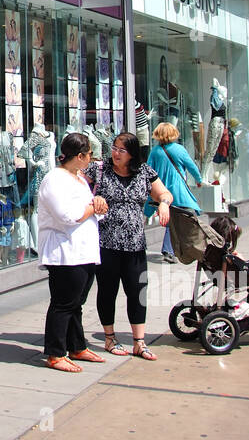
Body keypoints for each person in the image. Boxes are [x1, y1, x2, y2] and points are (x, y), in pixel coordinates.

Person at [87, 131, 173, 360]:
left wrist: (163, 204)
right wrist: (92, 199)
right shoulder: (100, 169)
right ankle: (109, 338)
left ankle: (139, 342)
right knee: (107, 292)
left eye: (121, 150)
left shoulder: (144, 172)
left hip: (135, 244)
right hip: (106, 242)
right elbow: (75, 185)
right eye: (114, 148)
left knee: (137, 292)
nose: (115, 153)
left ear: (132, 153)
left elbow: (164, 192)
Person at [36, 132, 108, 372]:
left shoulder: (78, 179)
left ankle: (76, 345)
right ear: (79, 156)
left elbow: (92, 209)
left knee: (76, 302)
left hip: (84, 251)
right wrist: (91, 207)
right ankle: (56, 352)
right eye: (89, 155)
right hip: (64, 251)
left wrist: (96, 205)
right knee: (63, 303)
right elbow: (68, 215)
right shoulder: (54, 179)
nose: (91, 159)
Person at [146, 122, 203, 264]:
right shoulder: (179, 149)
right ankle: (175, 250)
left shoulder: (155, 151)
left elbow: (147, 171)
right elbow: (192, 166)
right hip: (177, 191)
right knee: (184, 217)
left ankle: (171, 249)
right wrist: (199, 179)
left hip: (160, 190)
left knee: (172, 219)